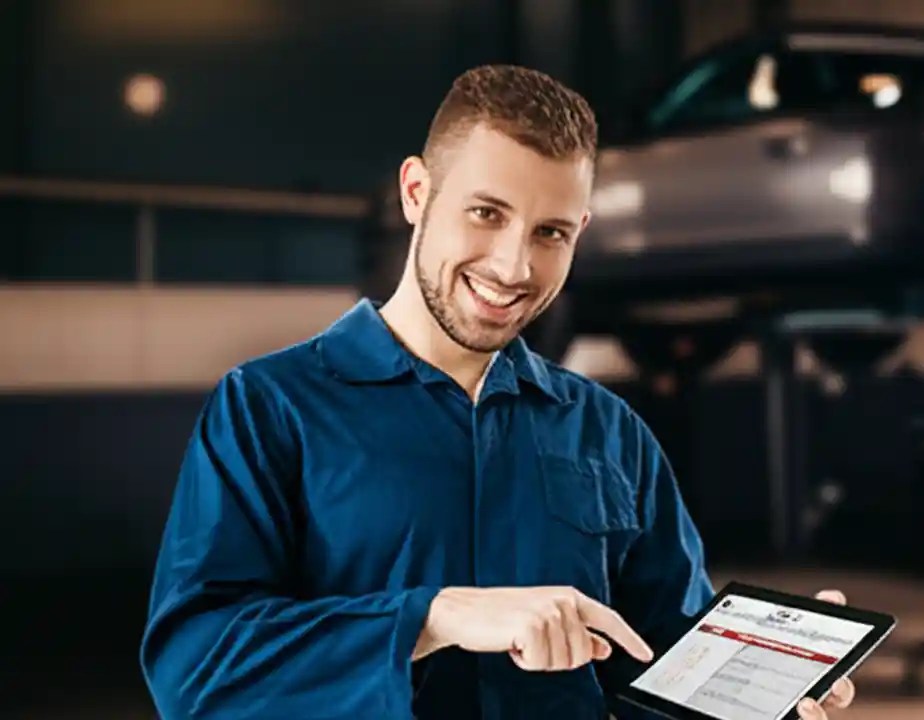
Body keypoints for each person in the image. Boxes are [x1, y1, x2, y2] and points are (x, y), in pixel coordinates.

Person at [140, 64, 857, 719]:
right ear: (417, 192)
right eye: (487, 213)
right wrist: (433, 618)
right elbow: (195, 670)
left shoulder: (610, 432)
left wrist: (761, 687)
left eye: (551, 232)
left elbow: (658, 674)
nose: (515, 265)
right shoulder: (270, 408)